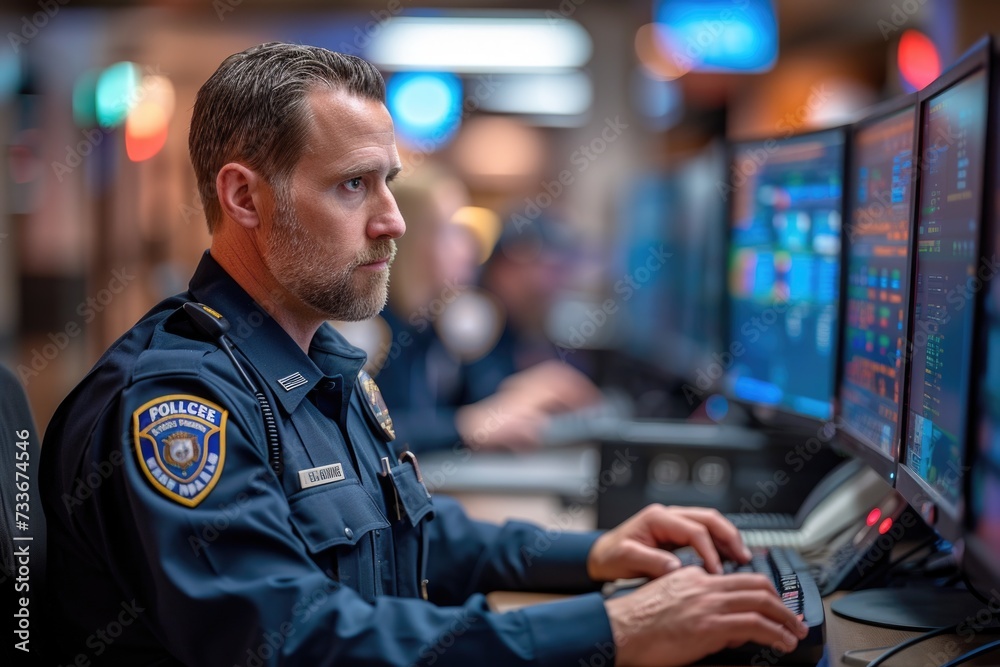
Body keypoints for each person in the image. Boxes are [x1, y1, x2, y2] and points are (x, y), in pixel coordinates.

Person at [39, 42, 808, 666]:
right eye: (352, 186)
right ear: (245, 198)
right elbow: (298, 641)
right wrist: (612, 630)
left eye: (391, 184)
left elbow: (412, 534)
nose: (393, 221)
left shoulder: (317, 367)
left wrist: (598, 552)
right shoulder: (180, 401)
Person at [372, 167, 601, 454]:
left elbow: (467, 405)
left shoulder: (434, 324)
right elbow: (372, 434)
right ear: (413, 239)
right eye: (452, 230)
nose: (470, 247)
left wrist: (518, 393)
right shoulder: (373, 332)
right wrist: (463, 427)